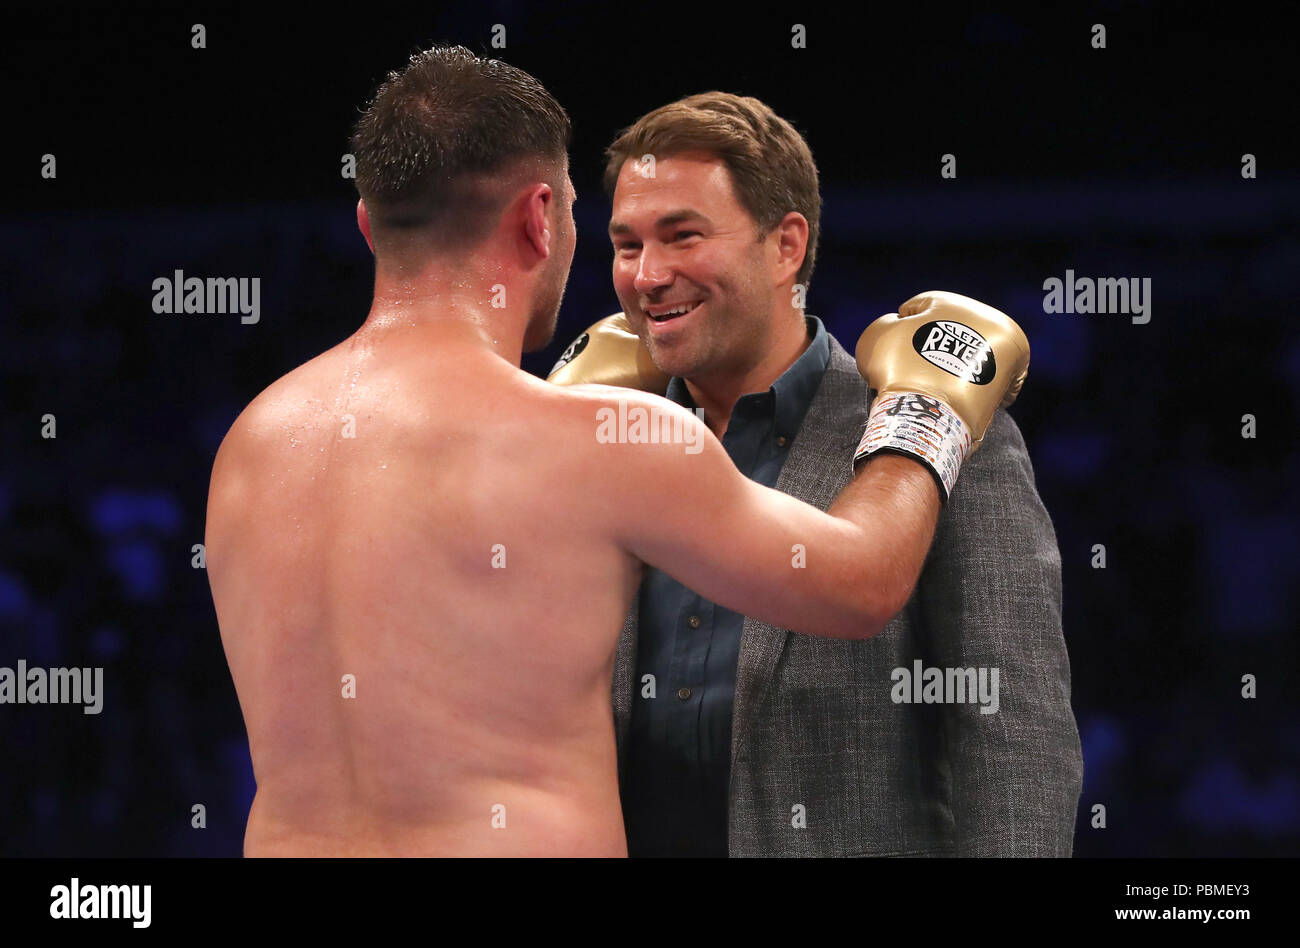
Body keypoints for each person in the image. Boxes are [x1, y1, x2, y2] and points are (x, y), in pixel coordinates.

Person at [205, 47, 1022, 857]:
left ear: (366, 222)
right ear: (537, 218)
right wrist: (929, 407)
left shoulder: (252, 443)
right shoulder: (601, 439)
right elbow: (862, 581)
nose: (639, 272)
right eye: (599, 229)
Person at [550, 92, 1081, 856]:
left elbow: (1012, 729)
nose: (647, 275)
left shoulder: (941, 434)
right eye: (626, 244)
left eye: (682, 236)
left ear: (786, 246)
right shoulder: (601, 442)